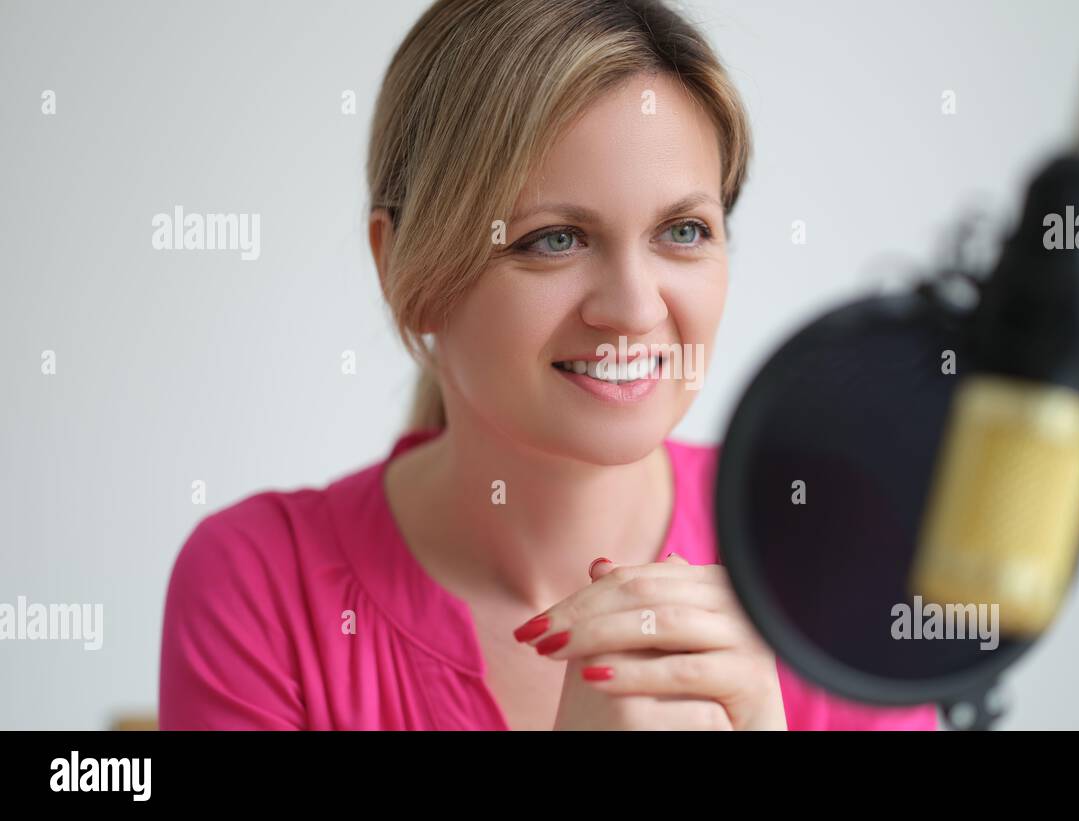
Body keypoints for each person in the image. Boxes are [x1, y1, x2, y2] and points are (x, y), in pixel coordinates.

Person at [159, 0, 937, 731]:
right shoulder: (260, 585)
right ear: (403, 269)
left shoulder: (840, 550)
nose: (634, 309)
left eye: (684, 230)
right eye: (554, 238)